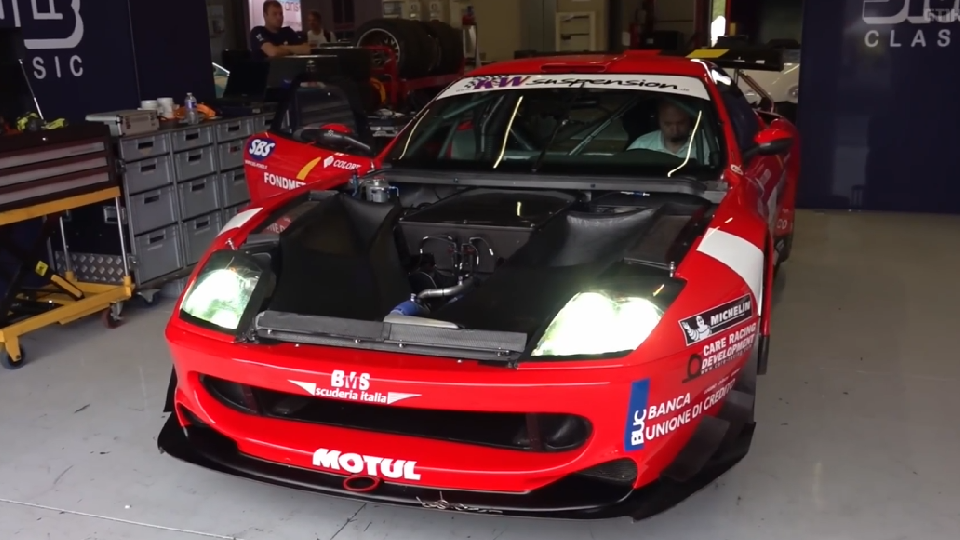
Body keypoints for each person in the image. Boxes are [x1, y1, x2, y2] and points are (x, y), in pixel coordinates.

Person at [627, 99, 695, 157]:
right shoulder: (642, 145)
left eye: (681, 123)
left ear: (690, 120)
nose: (675, 130)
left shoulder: (701, 144)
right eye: (668, 124)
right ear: (658, 121)